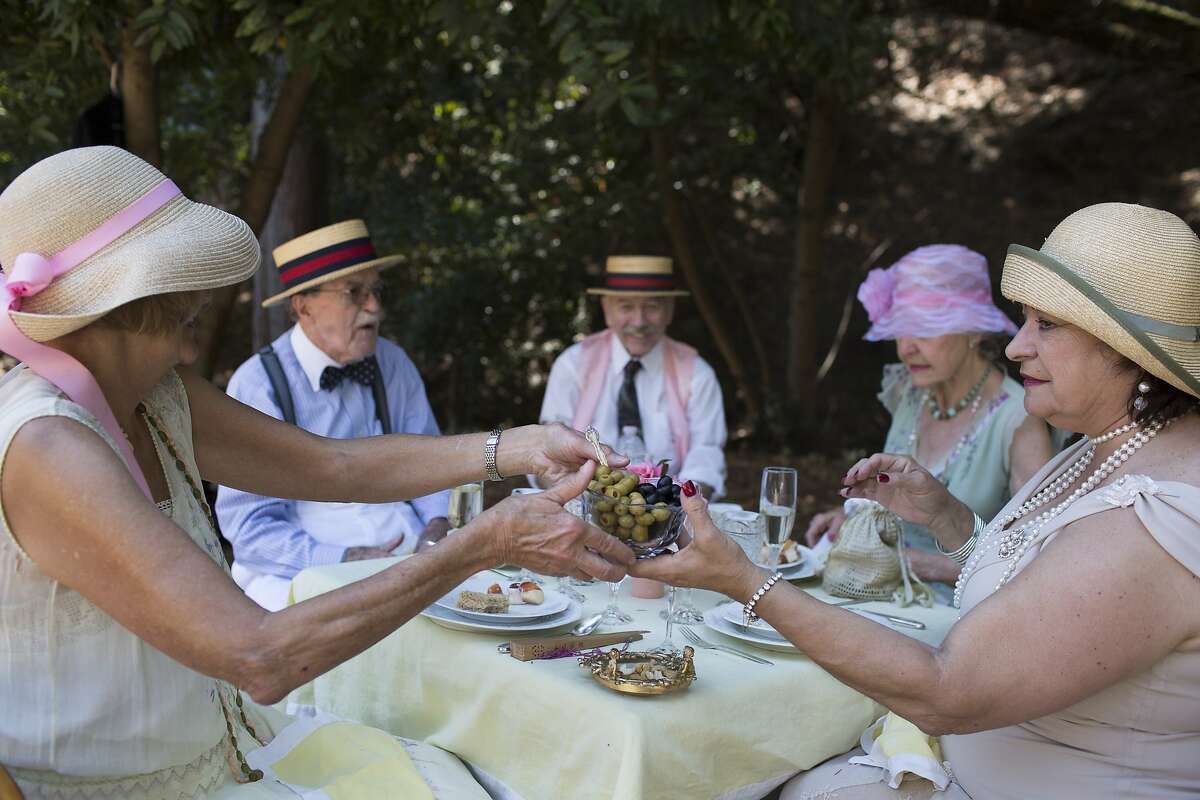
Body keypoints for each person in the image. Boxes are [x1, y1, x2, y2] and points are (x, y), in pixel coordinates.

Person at [0, 146, 631, 797]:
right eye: (181, 272)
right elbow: (260, 656)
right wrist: (485, 543)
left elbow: (333, 464)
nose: (201, 296)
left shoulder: (158, 391)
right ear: (132, 296)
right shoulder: (50, 444)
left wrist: (519, 445)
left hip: (230, 747)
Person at [635, 203, 1200, 798]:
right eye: (1024, 321)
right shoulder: (1104, 446)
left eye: (1047, 325)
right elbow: (1038, 582)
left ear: (1127, 346)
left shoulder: (1154, 515)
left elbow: (947, 689)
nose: (1015, 347)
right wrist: (947, 518)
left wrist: (744, 580)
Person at [216, 220, 451, 611]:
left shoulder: (392, 364)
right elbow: (250, 527)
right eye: (354, 293)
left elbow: (433, 466)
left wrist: (437, 527)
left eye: (376, 291)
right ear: (302, 305)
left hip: (409, 559)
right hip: (298, 572)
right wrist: (344, 561)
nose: (374, 307)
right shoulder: (259, 384)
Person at [805, 244, 1054, 602]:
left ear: (974, 331)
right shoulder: (909, 391)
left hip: (956, 613)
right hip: (875, 591)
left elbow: (1033, 557)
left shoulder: (1019, 419)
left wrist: (918, 563)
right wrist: (850, 517)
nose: (906, 348)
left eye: (924, 329)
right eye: (900, 330)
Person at [538, 255, 727, 497]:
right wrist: (576, 499)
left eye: (652, 307)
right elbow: (547, 448)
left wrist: (680, 506)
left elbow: (706, 452)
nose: (639, 322)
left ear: (670, 312)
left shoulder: (697, 373)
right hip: (583, 506)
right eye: (626, 307)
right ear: (607, 310)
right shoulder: (573, 365)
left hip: (668, 512)